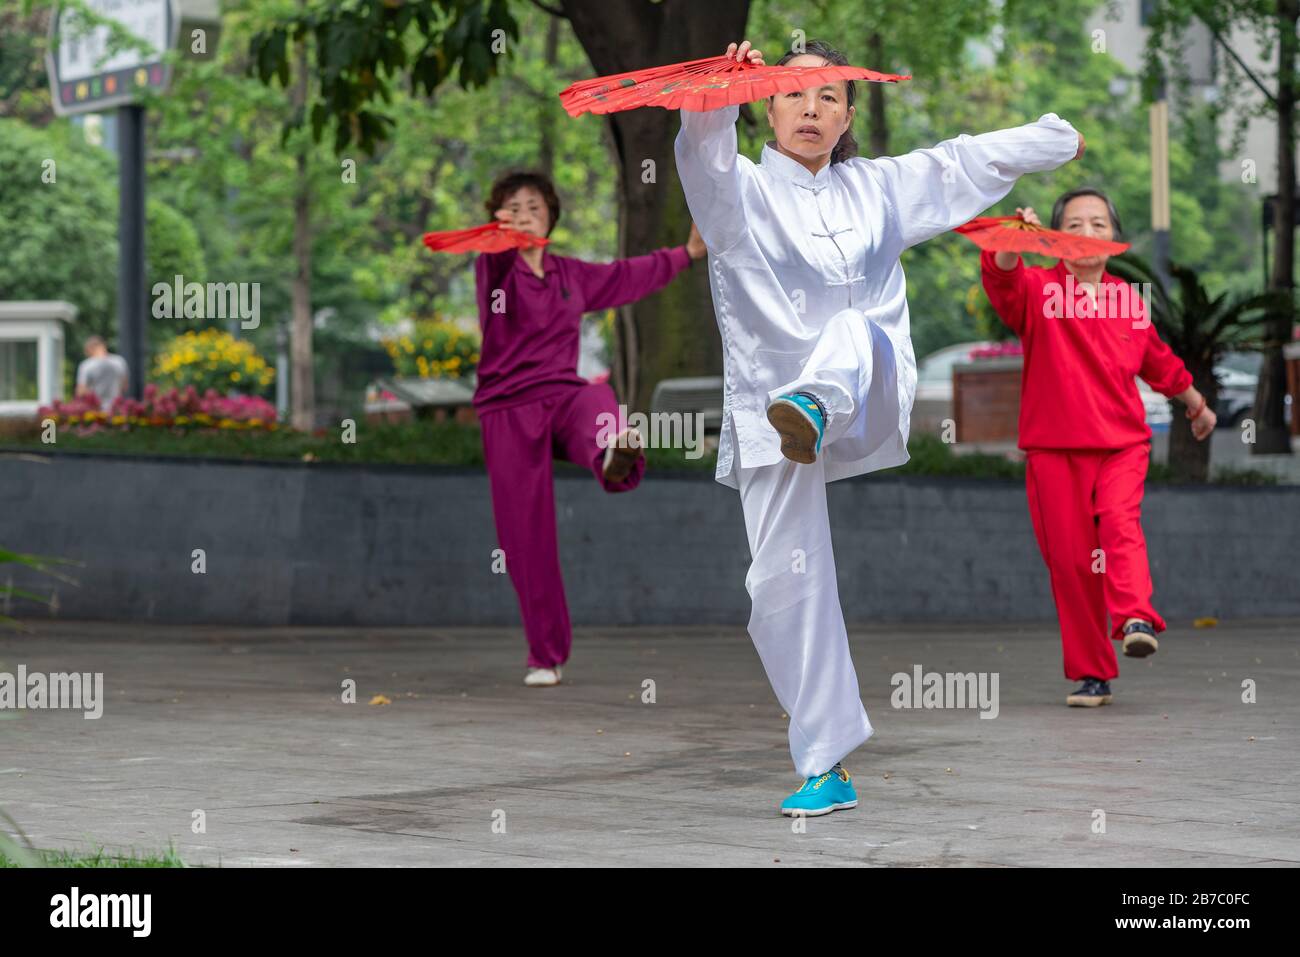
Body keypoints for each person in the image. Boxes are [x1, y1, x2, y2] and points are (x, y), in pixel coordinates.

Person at [674, 38, 1083, 816]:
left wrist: (1053, 138)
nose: (810, 109)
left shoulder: (877, 188)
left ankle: (820, 400)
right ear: (767, 105)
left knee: (853, 331)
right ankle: (826, 762)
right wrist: (718, 90)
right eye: (794, 94)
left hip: (867, 388)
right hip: (772, 416)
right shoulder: (742, 197)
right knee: (782, 586)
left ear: (848, 113)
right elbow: (705, 158)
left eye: (829, 97)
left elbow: (960, 164)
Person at [980, 191, 1215, 708]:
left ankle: (1134, 615)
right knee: (1071, 564)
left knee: (1118, 523)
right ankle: (1092, 675)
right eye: (1074, 223)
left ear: (1113, 237)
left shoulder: (1128, 301)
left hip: (1122, 444)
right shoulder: (1038, 291)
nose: (1088, 231)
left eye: (1099, 223)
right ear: (1057, 237)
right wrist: (1012, 242)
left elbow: (1159, 362)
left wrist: (1197, 405)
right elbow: (1002, 278)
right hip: (1053, 449)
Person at [473, 169, 706, 686]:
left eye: (535, 204)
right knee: (524, 534)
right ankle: (545, 657)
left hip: (559, 395)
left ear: (551, 216)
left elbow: (624, 277)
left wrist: (685, 254)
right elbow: (492, 255)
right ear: (498, 216)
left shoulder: (570, 275)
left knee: (597, 395)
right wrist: (499, 238)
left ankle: (609, 452)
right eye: (513, 204)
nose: (525, 210)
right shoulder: (495, 270)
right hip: (507, 409)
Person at [75, 336, 129, 407]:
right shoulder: (119, 361)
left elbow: (81, 391)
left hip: (94, 410)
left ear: (90, 349)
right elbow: (124, 387)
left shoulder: (86, 365)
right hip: (116, 408)